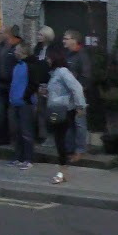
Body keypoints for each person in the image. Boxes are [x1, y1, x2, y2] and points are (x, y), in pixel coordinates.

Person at [43, 46, 86, 186]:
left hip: (64, 110)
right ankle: (63, 171)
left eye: (49, 58)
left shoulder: (62, 72)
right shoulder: (55, 73)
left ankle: (62, 173)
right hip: (57, 109)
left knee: (60, 141)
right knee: (59, 141)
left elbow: (77, 87)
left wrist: (80, 106)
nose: (47, 60)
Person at [63, 30, 93, 162]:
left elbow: (86, 76)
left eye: (66, 38)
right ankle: (70, 149)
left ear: (74, 41)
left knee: (79, 122)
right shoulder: (68, 54)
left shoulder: (82, 55)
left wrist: (78, 91)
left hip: (79, 94)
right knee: (69, 122)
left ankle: (80, 150)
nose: (63, 40)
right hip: (68, 94)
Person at [0, 25, 21, 146]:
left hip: (13, 84)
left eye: (0, 33)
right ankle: (3, 137)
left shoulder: (17, 47)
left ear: (7, 34)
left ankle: (17, 138)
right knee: (2, 113)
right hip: (1, 84)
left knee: (15, 113)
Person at [7, 42, 35, 168]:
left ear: (23, 52)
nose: (14, 52)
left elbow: (33, 83)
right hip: (14, 102)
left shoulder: (30, 65)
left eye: (17, 49)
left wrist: (26, 96)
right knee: (16, 131)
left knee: (26, 131)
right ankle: (18, 157)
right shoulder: (16, 66)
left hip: (25, 103)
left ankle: (28, 159)